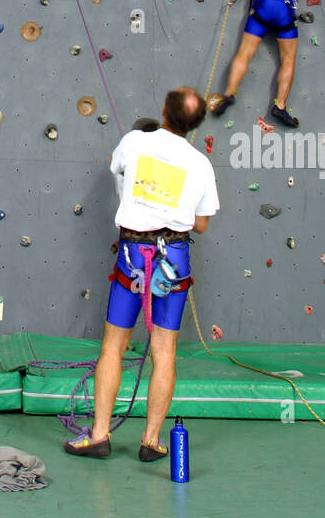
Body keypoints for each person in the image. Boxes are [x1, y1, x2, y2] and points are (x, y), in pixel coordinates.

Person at [64, 88, 219, 462]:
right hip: (174, 260)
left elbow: (114, 166)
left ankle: (99, 435)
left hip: (133, 256)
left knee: (113, 346)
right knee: (164, 351)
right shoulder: (201, 164)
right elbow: (200, 224)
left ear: (164, 111)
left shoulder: (135, 141)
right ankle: (150, 441)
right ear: (195, 125)